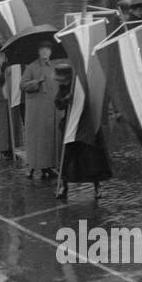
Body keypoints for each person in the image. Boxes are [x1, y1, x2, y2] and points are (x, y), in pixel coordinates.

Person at [54, 61, 111, 200]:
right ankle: (64, 185)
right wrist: (65, 100)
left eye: (63, 80)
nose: (61, 82)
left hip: (87, 125)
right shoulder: (63, 88)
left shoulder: (82, 84)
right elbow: (58, 104)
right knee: (66, 157)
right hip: (70, 125)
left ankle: (97, 187)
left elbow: (94, 99)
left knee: (92, 156)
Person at [21, 43, 59, 180]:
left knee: (47, 139)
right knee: (35, 138)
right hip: (35, 111)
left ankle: (46, 166)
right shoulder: (31, 67)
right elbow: (23, 85)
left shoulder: (53, 67)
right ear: (38, 51)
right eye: (42, 49)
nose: (45, 52)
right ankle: (31, 166)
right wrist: (37, 82)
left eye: (48, 49)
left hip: (50, 110)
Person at [0, 41, 20, 160]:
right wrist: (2, 69)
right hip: (1, 96)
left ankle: (11, 147)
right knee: (2, 124)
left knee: (12, 123)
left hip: (13, 94)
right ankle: (3, 149)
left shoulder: (13, 58)